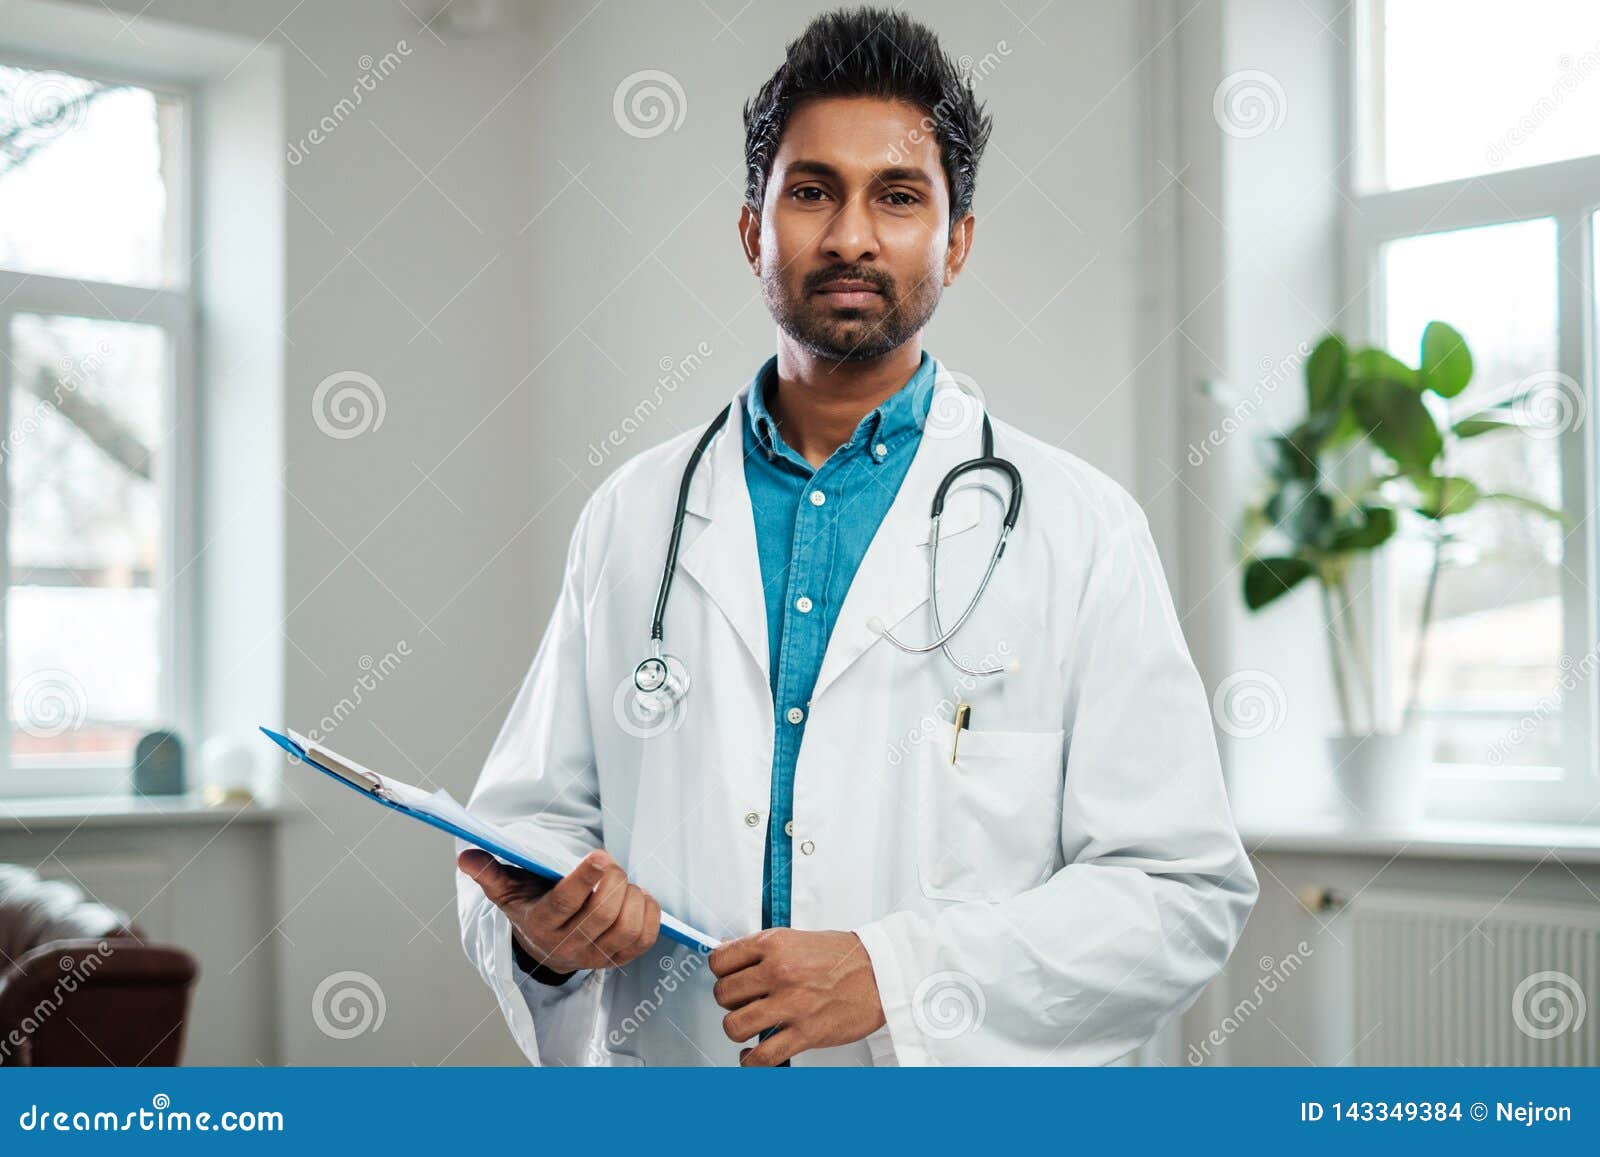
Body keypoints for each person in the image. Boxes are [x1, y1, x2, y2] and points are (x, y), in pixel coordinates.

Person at [456, 6, 1257, 1067]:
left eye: (897, 195)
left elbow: (1178, 891)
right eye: (809, 190)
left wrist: (899, 974)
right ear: (753, 229)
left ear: (955, 241)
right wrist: (545, 934)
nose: (848, 235)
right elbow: (532, 827)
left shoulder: (1084, 529)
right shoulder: (632, 516)